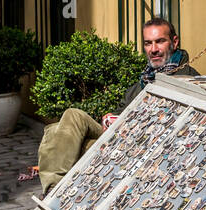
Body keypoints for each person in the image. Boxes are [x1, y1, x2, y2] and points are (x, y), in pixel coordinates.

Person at [37, 18, 196, 192]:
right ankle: (53, 189)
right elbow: (120, 108)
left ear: (174, 42)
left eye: (160, 42)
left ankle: (54, 191)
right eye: (148, 43)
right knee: (71, 117)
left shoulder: (187, 78)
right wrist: (110, 118)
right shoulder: (146, 77)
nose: (154, 49)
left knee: (64, 139)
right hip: (120, 134)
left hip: (144, 145)